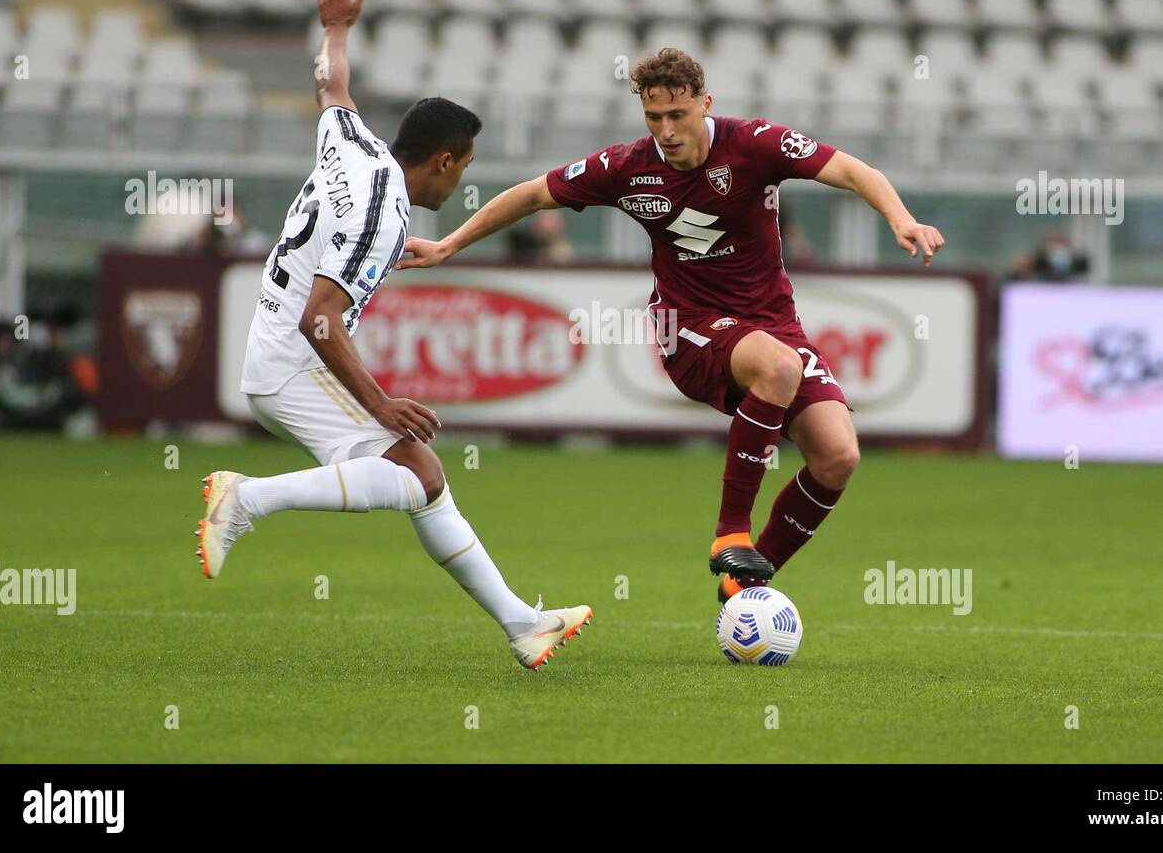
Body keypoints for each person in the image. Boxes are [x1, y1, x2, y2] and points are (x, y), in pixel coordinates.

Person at [398, 48, 946, 602]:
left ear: (705, 105)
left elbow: (854, 171)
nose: (665, 130)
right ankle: (730, 533)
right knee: (778, 368)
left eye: (677, 115)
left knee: (837, 457)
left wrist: (900, 218)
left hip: (773, 325)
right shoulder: (626, 167)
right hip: (687, 328)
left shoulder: (755, 143)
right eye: (653, 117)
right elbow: (535, 193)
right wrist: (449, 244)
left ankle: (743, 584)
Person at [196, 0, 591, 671]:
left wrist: (335, 28)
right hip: (293, 363)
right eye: (463, 167)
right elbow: (322, 320)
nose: (461, 181)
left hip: (277, 352)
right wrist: (381, 403)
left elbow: (332, 87)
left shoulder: (354, 143)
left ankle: (523, 624)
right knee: (416, 470)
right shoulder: (385, 213)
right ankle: (247, 499)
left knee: (424, 477)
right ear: (442, 160)